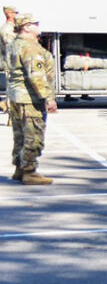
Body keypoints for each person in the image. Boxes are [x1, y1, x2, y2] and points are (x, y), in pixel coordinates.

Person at [7, 12, 57, 184]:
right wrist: (48, 98)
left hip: (16, 96)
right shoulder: (29, 47)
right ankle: (29, 172)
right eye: (36, 24)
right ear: (27, 27)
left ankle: (19, 169)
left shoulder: (16, 44)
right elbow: (36, 75)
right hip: (29, 98)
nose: (38, 27)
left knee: (20, 135)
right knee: (33, 135)